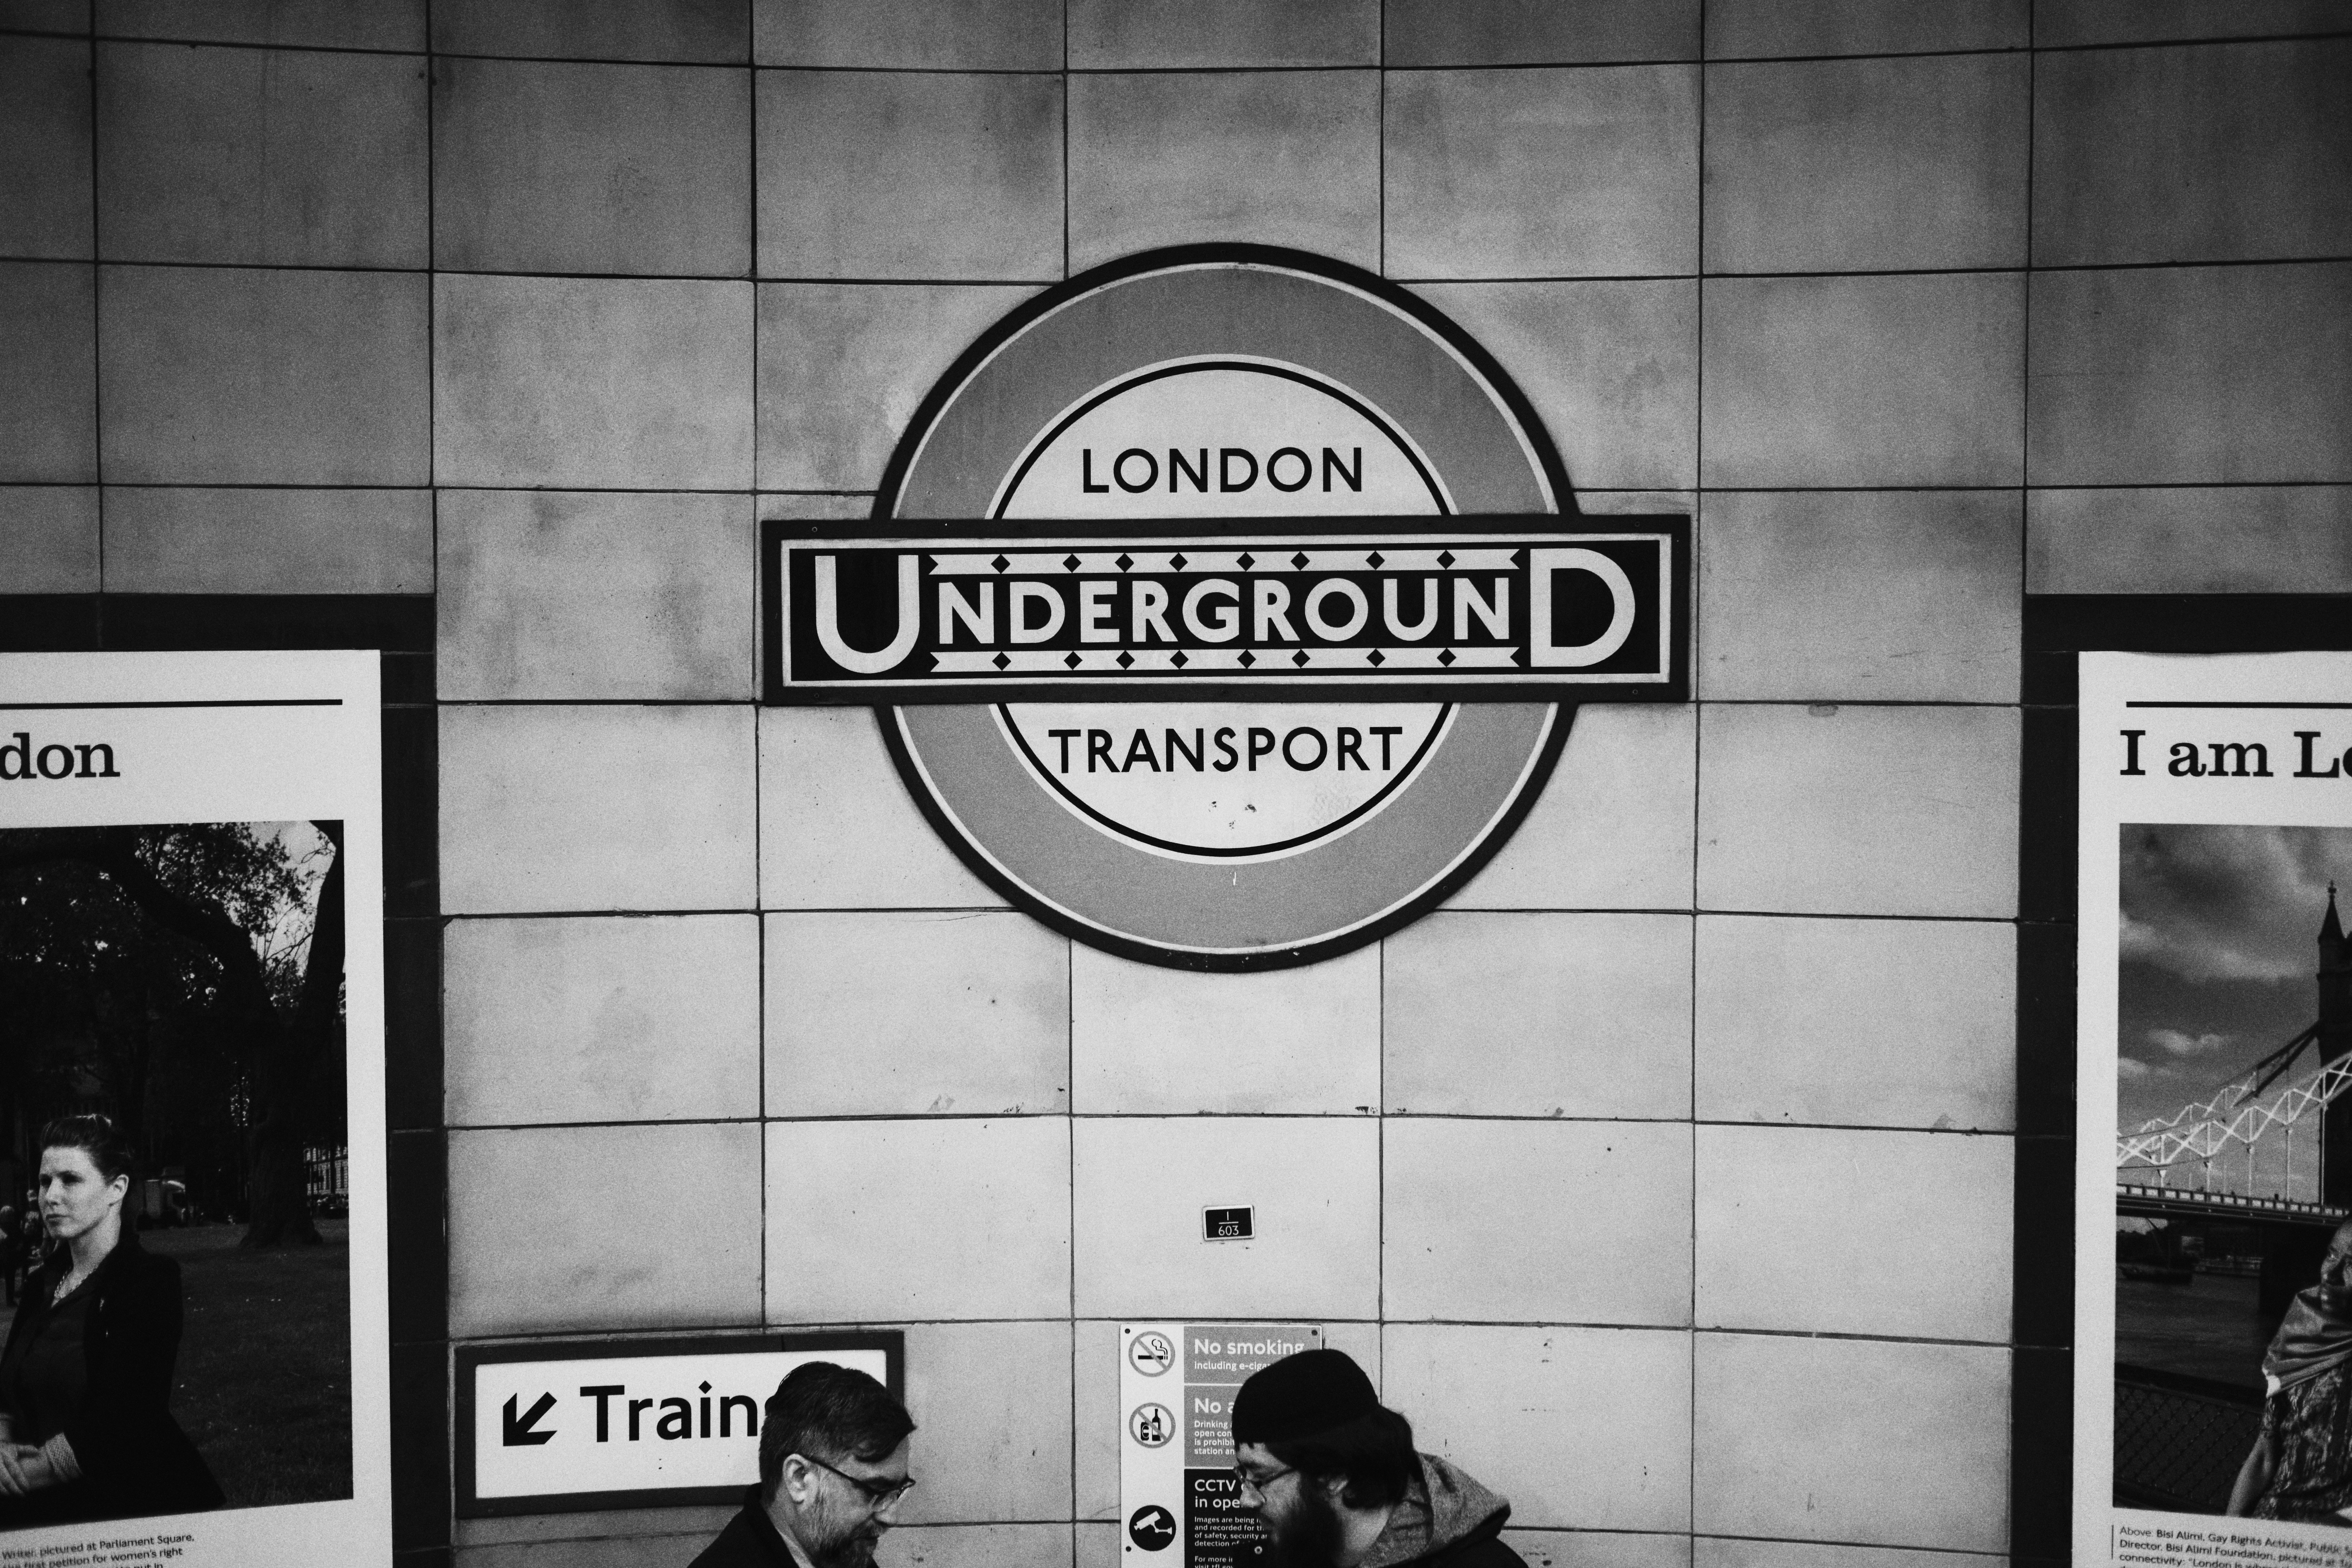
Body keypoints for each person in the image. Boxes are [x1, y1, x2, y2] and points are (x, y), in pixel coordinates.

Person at [0, 1115, 221, 1527]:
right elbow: (6, 1387)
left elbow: (127, 1414)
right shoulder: (39, 1285)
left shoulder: (147, 1282)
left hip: (115, 1506)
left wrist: (30, 1473)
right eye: (45, 1181)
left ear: (116, 1189)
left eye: (70, 1179)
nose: (50, 1196)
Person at [1230, 1348, 1526, 1568]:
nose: (1246, 1499)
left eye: (1260, 1478)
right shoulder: (1282, 1555)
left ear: (1334, 1475)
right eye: (1243, 1476)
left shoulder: (1483, 1565)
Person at [690, 1361, 916, 1568]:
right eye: (874, 1491)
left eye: (897, 1492)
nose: (891, 1517)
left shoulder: (845, 1558)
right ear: (799, 1479)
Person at [2230, 1218, 2352, 1524]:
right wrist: (2227, 1536)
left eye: (2351, 1264)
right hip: (2272, 1530)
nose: (2330, 1273)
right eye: (2331, 1255)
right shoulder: (2298, 1340)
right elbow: (2263, 1459)